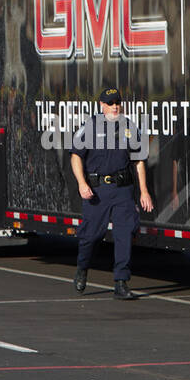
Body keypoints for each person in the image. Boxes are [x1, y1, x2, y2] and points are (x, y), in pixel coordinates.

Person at [69, 87, 154, 299]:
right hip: (97, 191)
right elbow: (76, 156)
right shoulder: (90, 126)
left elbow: (139, 161)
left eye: (117, 102)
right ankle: (82, 268)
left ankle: (121, 282)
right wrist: (81, 183)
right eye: (110, 103)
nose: (115, 106)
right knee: (90, 236)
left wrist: (144, 191)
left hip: (123, 190)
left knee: (124, 234)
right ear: (101, 105)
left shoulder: (129, 127)